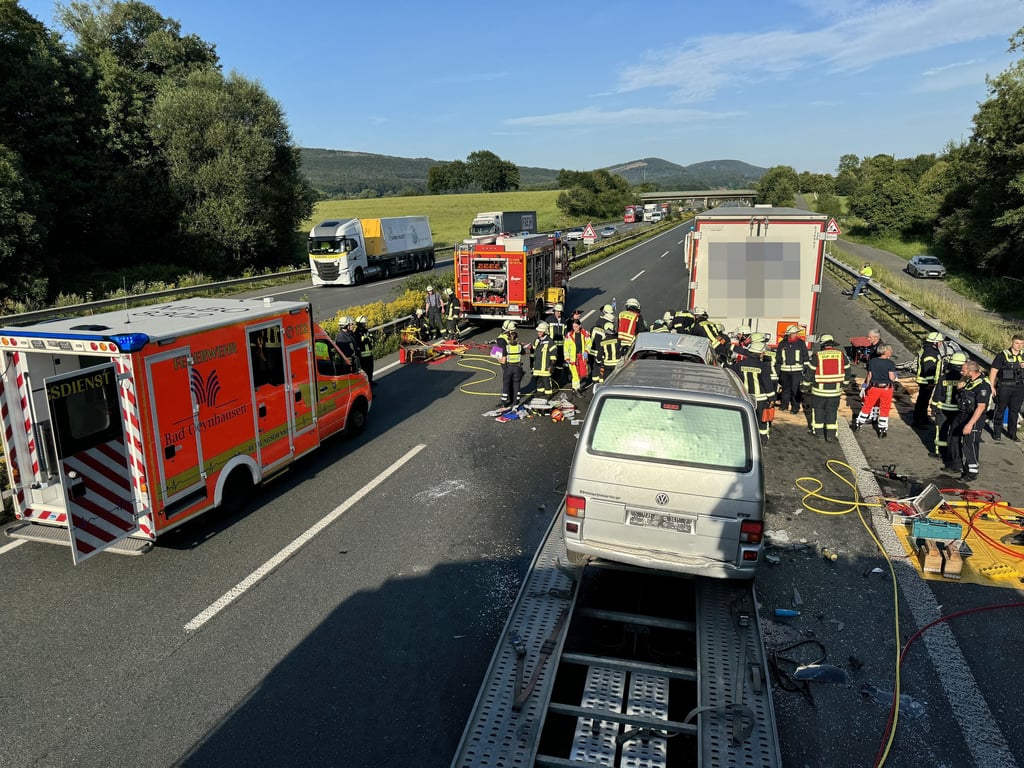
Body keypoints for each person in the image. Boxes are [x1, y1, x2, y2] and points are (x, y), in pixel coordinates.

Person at [942, 360, 993, 482]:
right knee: (953, 436)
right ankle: (956, 464)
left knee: (969, 444)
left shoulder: (983, 386)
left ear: (971, 372)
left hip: (974, 417)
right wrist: (962, 380)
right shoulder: (970, 380)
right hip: (962, 414)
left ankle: (972, 471)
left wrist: (970, 424)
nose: (961, 372)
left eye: (963, 370)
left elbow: (981, 407)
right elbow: (962, 390)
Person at [803, 333, 852, 442]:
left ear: (823, 345)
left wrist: (805, 386)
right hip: (835, 391)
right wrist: (845, 384)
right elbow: (848, 371)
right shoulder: (841, 355)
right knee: (832, 412)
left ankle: (818, 433)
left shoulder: (818, 356)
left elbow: (810, 373)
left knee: (818, 410)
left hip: (819, 391)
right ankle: (831, 435)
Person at [731, 341, 775, 443]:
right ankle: (762, 439)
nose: (764, 354)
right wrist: (772, 398)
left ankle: (744, 440)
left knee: (745, 419)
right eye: (763, 352)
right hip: (760, 399)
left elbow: (731, 373)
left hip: (745, 398)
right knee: (761, 420)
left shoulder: (740, 364)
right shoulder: (763, 366)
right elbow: (767, 384)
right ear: (759, 353)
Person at [852, 344, 897, 437]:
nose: (891, 352)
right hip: (886, 389)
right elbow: (891, 377)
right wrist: (896, 377)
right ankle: (882, 429)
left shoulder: (873, 361)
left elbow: (869, 376)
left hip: (873, 388)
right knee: (884, 408)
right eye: (890, 350)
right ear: (886, 352)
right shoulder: (890, 363)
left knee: (867, 406)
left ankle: (858, 424)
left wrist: (864, 387)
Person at [931, 351, 968, 461]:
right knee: (955, 432)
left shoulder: (943, 378)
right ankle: (954, 453)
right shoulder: (964, 379)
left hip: (943, 409)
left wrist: (933, 407)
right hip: (957, 411)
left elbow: (937, 394)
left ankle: (939, 452)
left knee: (941, 430)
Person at [988, 334, 1024, 442]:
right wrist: (991, 386)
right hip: (1004, 387)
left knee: (1014, 411)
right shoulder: (1002, 355)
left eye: (1021, 344)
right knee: (1000, 409)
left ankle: (1012, 433)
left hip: (1019, 387)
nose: (1019, 346)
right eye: (1017, 343)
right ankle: (997, 432)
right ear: (1012, 342)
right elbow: (994, 371)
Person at [913, 332, 944, 428]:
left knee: (923, 400)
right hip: (926, 382)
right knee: (922, 401)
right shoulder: (930, 352)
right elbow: (929, 369)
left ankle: (923, 418)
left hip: (925, 381)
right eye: (940, 342)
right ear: (935, 342)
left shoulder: (928, 349)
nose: (941, 344)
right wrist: (931, 382)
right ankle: (918, 421)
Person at [776, 325, 809, 414]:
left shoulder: (801, 343)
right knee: (785, 389)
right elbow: (778, 358)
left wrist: (805, 369)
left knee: (795, 389)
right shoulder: (782, 344)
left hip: (797, 372)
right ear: (789, 334)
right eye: (793, 333)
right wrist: (777, 372)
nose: (795, 334)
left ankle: (795, 407)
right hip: (784, 371)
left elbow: (805, 356)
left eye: (796, 333)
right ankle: (784, 405)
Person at [496, 320, 526, 409]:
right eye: (512, 331)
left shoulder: (505, 338)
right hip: (510, 365)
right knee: (512, 383)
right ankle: (513, 401)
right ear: (508, 331)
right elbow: (503, 354)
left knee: (508, 383)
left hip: (509, 365)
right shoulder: (502, 340)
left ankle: (506, 401)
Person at [564, 317, 591, 393]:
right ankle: (576, 389)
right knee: (575, 374)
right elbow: (566, 348)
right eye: (573, 326)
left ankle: (575, 388)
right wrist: (567, 358)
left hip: (581, 357)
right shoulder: (569, 335)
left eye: (576, 326)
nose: (574, 328)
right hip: (573, 358)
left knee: (580, 374)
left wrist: (586, 351)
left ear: (580, 326)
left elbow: (589, 343)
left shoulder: (585, 333)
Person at [530, 322, 558, 398]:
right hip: (537, 365)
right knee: (538, 379)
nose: (538, 333)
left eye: (540, 331)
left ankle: (548, 393)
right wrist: (531, 363)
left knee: (546, 380)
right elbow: (533, 352)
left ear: (545, 332)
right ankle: (540, 391)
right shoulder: (536, 340)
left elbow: (553, 355)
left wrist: (552, 366)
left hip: (545, 366)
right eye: (538, 331)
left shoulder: (550, 341)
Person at [353, 315, 375, 385]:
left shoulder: (366, 330)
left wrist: (369, 339)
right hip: (363, 355)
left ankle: (370, 381)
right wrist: (367, 339)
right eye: (363, 323)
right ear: (359, 324)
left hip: (369, 353)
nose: (365, 324)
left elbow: (371, 338)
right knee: (365, 370)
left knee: (370, 369)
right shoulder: (357, 332)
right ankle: (367, 384)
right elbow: (360, 341)